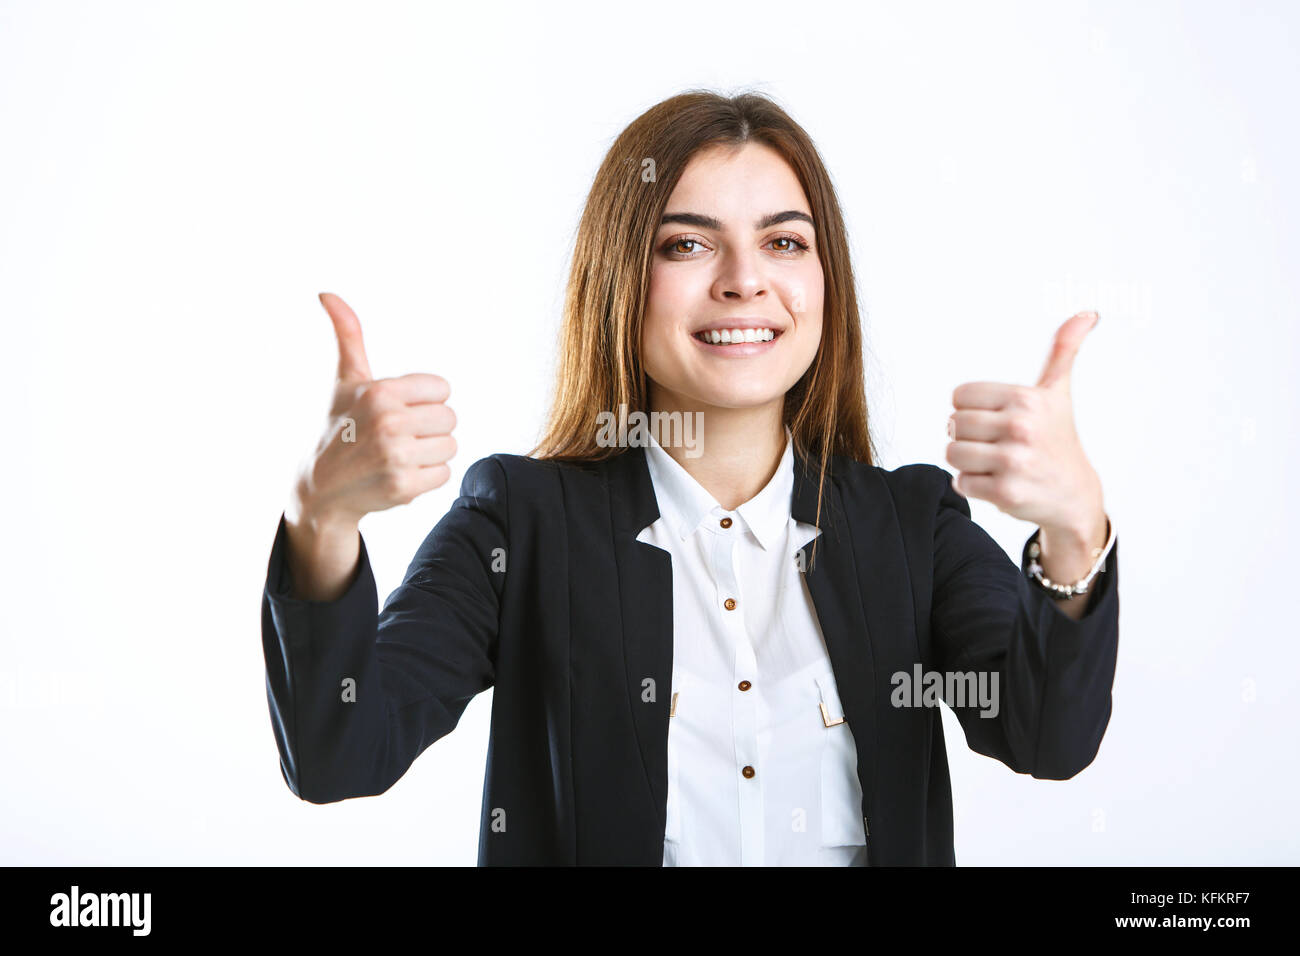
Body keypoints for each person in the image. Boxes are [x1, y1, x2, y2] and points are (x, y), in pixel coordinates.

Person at [260, 89, 1119, 866]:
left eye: (784, 241)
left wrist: (1075, 527)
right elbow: (340, 753)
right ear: (621, 279)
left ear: (825, 282)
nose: (746, 281)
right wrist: (322, 521)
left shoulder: (911, 526)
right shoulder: (521, 524)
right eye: (687, 244)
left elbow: (1047, 735)